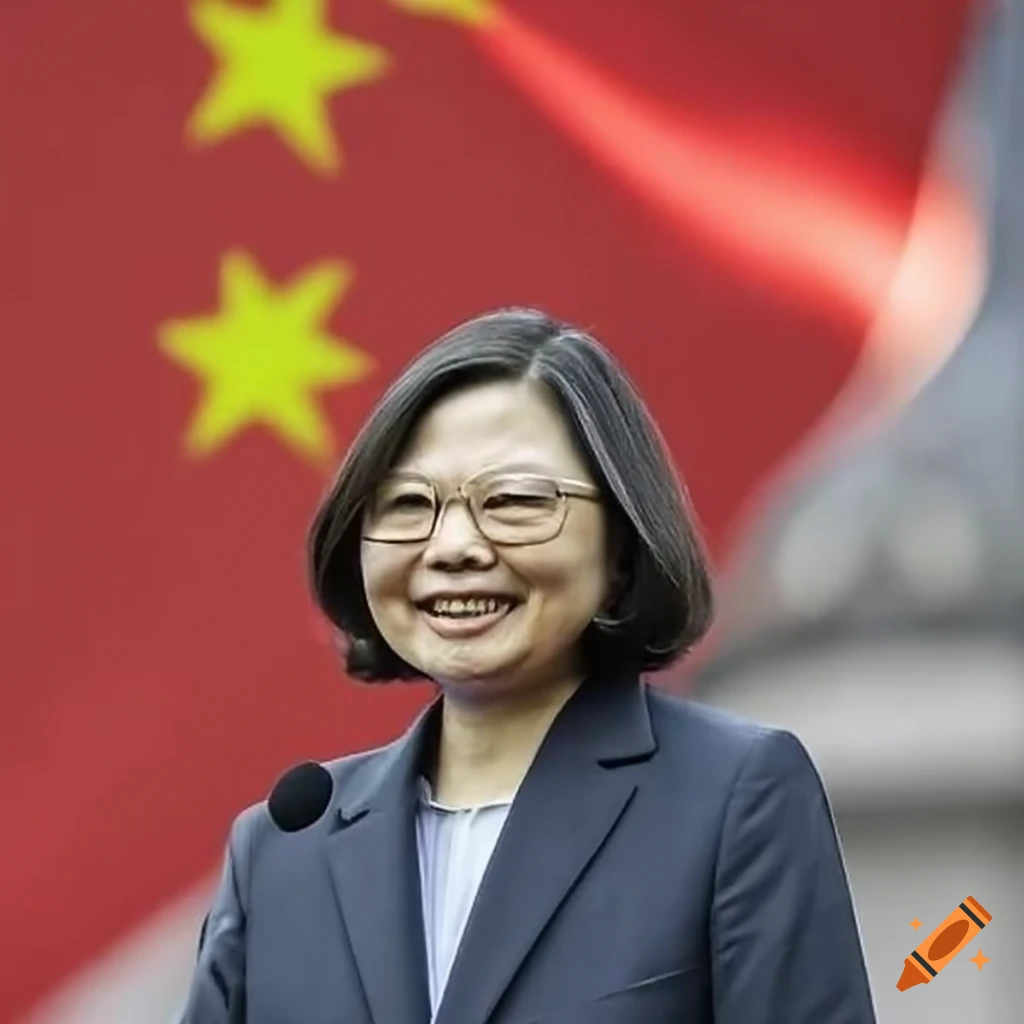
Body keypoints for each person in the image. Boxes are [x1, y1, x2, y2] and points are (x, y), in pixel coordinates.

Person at [179, 308, 877, 1024]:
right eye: (408, 504)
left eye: (512, 501)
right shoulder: (284, 848)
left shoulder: (732, 797)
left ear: (620, 543)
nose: (452, 547)